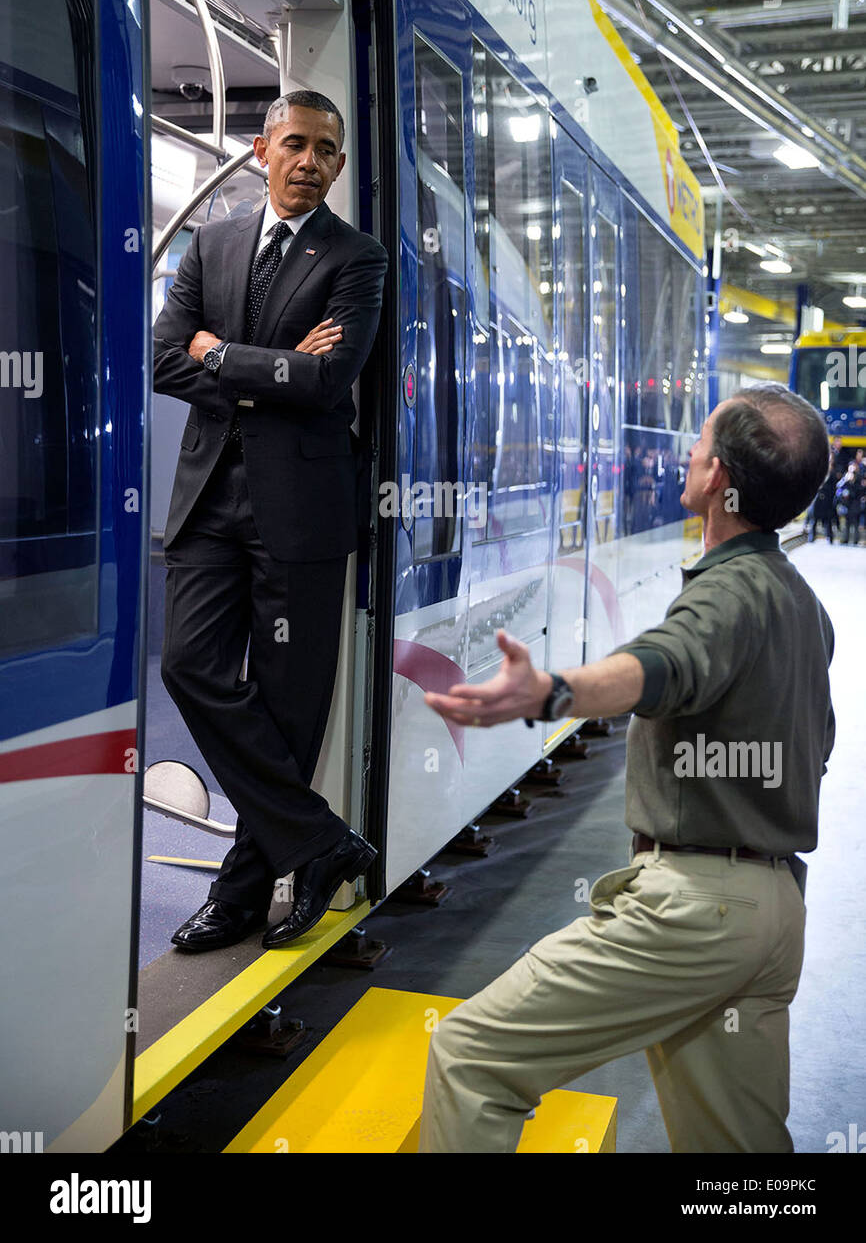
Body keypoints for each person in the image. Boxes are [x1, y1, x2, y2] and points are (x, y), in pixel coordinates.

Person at [420, 383, 835, 1153]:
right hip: (772, 913)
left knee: (472, 1056)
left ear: (718, 480)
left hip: (696, 913)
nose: (689, 451)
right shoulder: (802, 604)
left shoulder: (727, 595)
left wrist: (551, 692)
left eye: (701, 440)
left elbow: (660, 666)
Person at [153, 90, 388, 952]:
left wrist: (221, 354)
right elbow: (161, 357)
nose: (311, 162)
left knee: (289, 714)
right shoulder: (210, 244)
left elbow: (328, 382)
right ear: (262, 149)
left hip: (304, 512)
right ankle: (323, 843)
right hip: (211, 501)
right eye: (296, 144)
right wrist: (270, 367)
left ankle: (242, 896)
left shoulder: (356, 259)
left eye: (328, 151)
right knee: (189, 665)